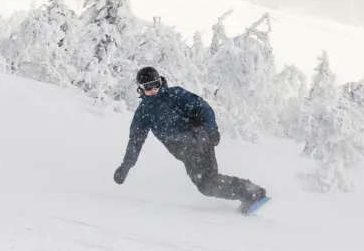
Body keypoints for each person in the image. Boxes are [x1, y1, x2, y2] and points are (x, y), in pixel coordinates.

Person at [113, 66, 268, 213]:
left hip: (198, 138)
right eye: (148, 87)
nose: (154, 89)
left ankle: (252, 193)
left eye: (156, 84)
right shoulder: (143, 113)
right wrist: (126, 166)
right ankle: (250, 193)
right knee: (206, 186)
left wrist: (211, 129)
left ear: (161, 82)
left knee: (208, 183)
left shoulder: (175, 95)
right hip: (184, 152)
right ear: (140, 89)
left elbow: (203, 107)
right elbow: (135, 141)